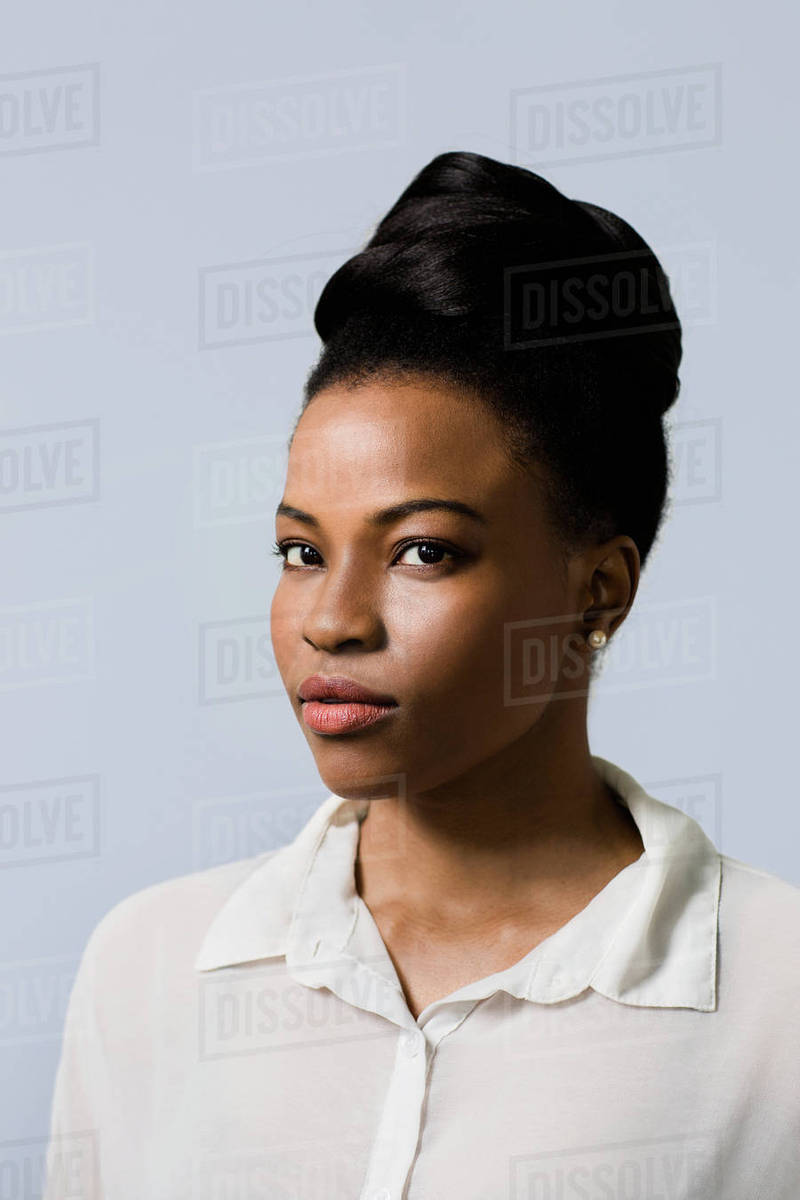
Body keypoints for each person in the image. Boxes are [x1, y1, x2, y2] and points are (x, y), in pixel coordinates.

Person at [45, 151, 800, 1199]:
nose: (332, 621)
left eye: (422, 551)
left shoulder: (777, 1003)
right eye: (300, 551)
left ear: (598, 592)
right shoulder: (153, 969)